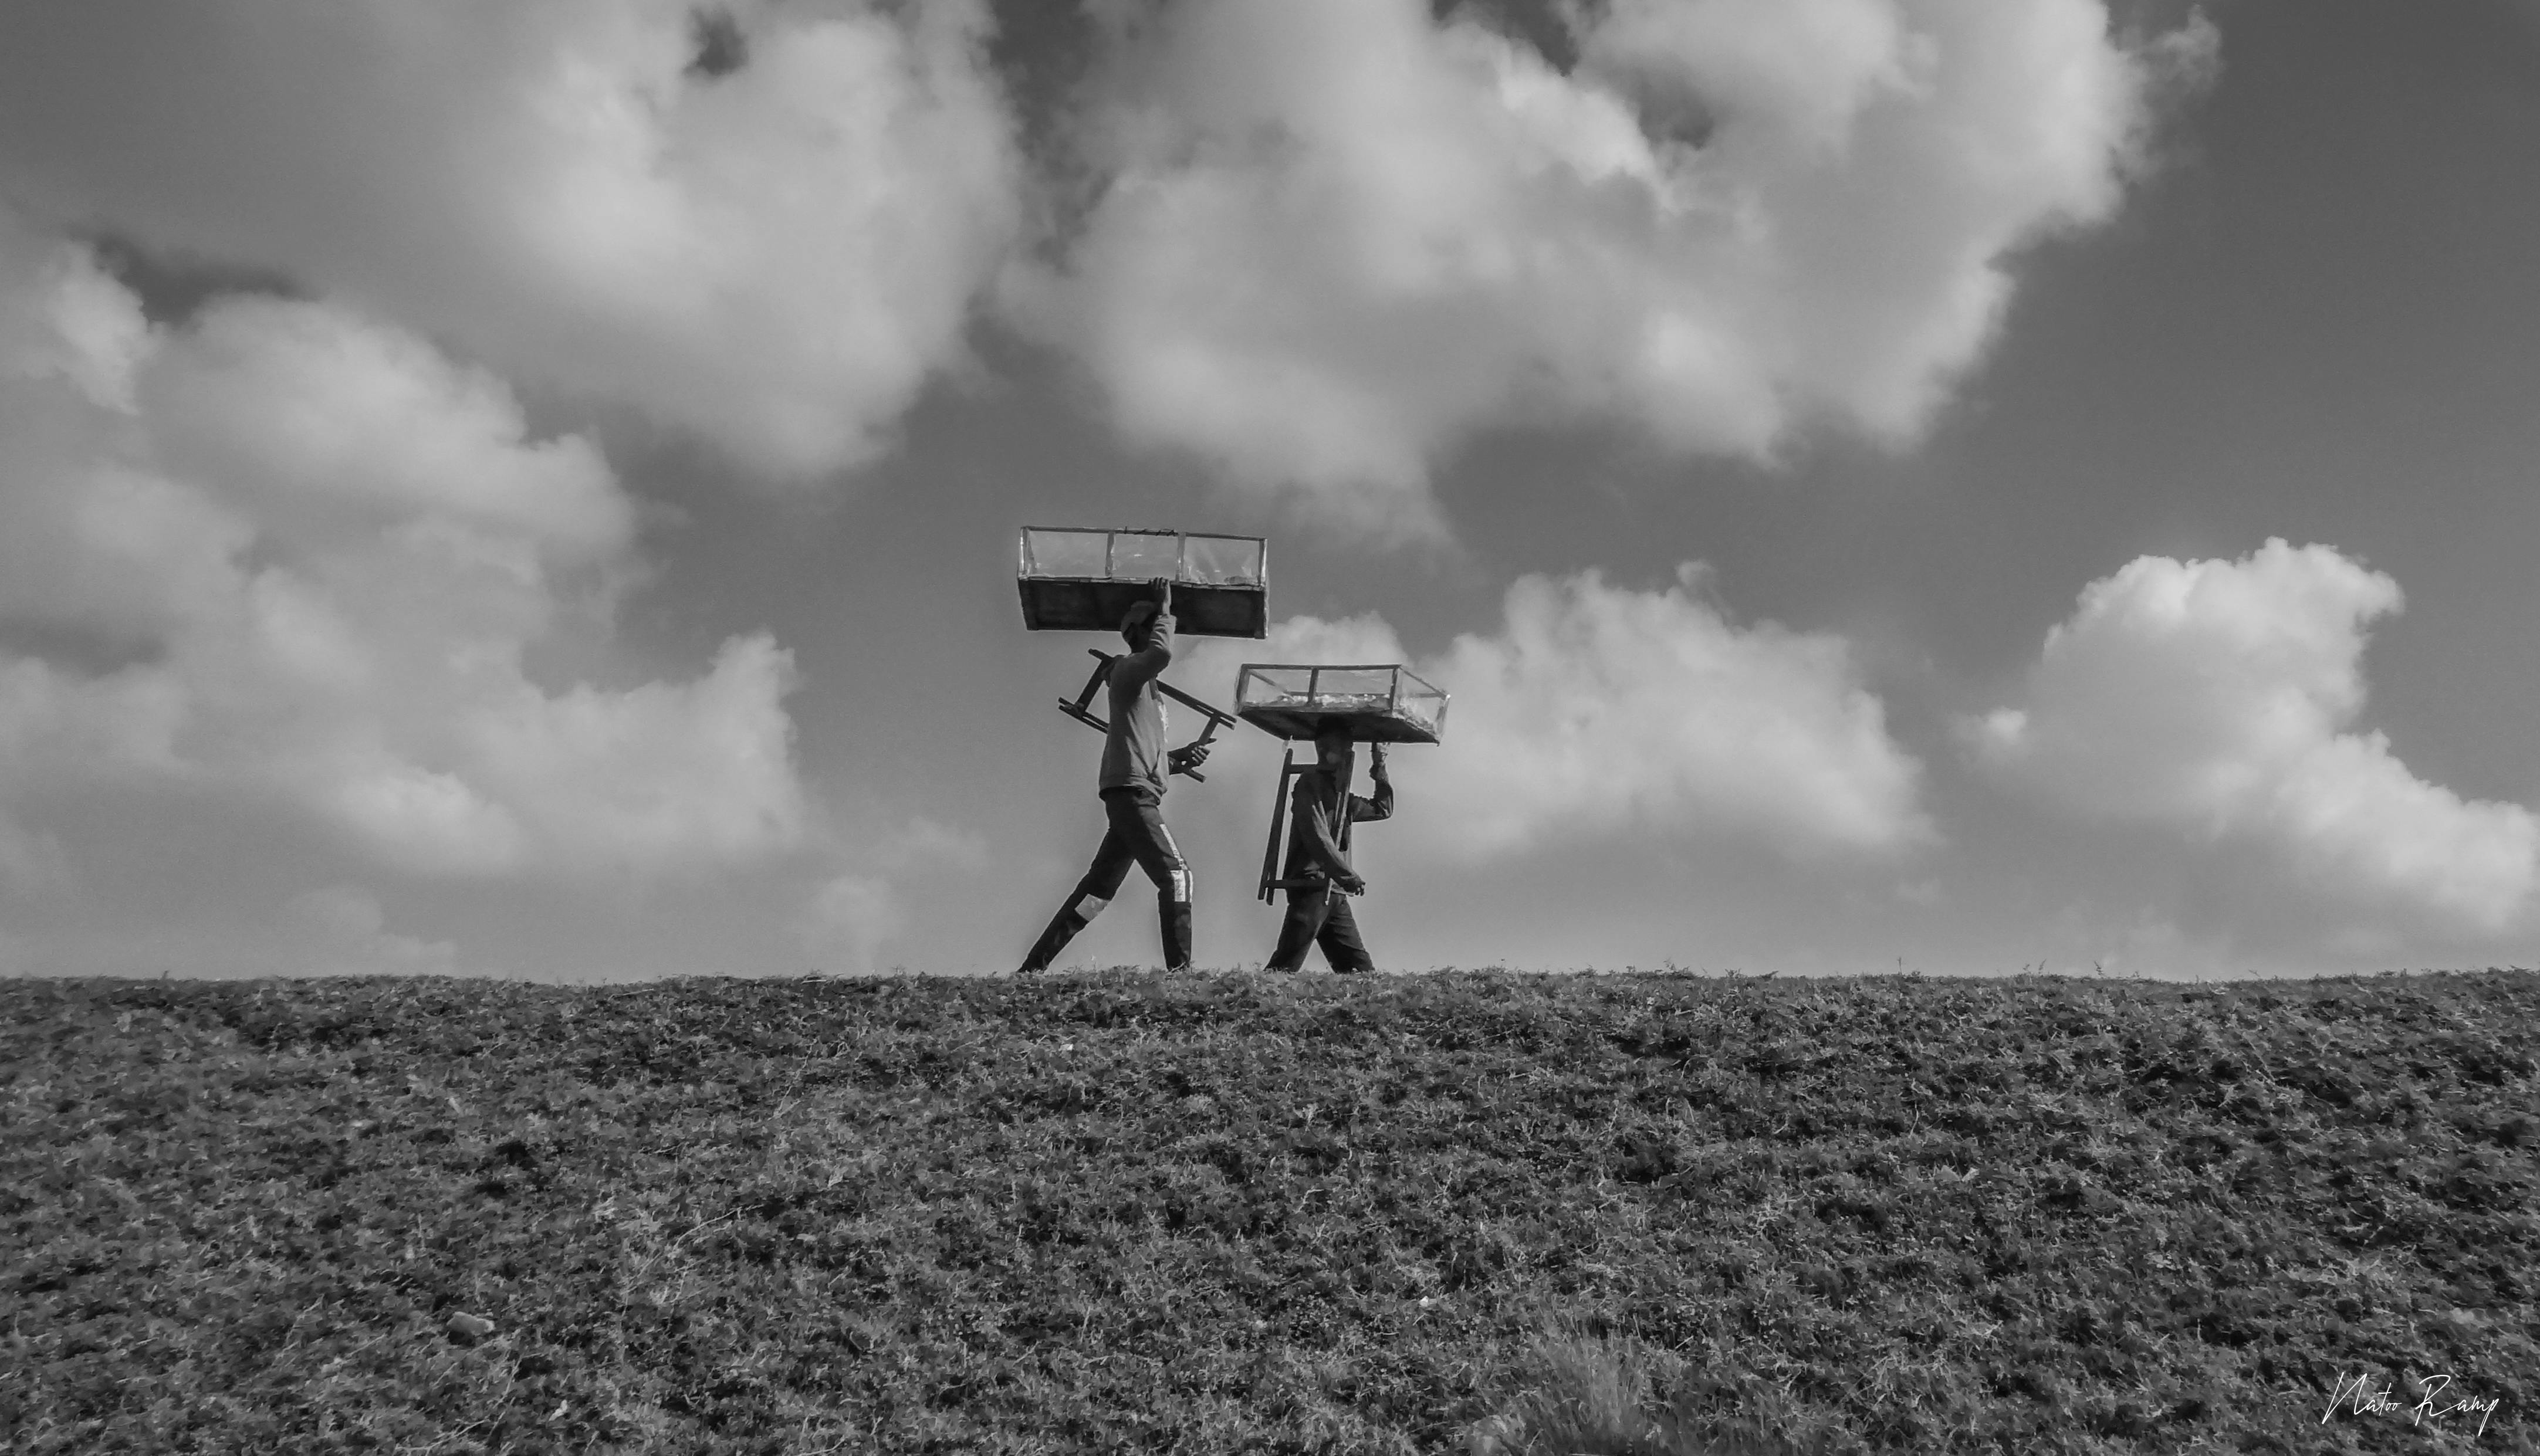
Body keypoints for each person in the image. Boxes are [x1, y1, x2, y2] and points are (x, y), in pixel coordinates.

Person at [1017, 581, 1210, 974]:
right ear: (1137, 632)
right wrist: (1166, 608)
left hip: (1134, 793)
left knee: (1098, 892)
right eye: (1154, 625)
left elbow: (1143, 753)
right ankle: (1181, 973)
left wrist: (1176, 759)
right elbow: (1162, 652)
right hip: (1133, 796)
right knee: (1177, 877)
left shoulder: (1146, 693)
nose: (1162, 630)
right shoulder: (1127, 671)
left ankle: (1032, 969)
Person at [1263, 717, 1392, 974]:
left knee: (1360, 972)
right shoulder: (1310, 785)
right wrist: (1347, 875)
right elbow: (1317, 836)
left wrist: (1379, 765)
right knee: (1284, 967)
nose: (1348, 755)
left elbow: (1382, 809)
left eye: (1349, 749)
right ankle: (1246, 997)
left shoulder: (1341, 796)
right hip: (1311, 886)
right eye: (1343, 748)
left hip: (1334, 892)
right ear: (1325, 751)